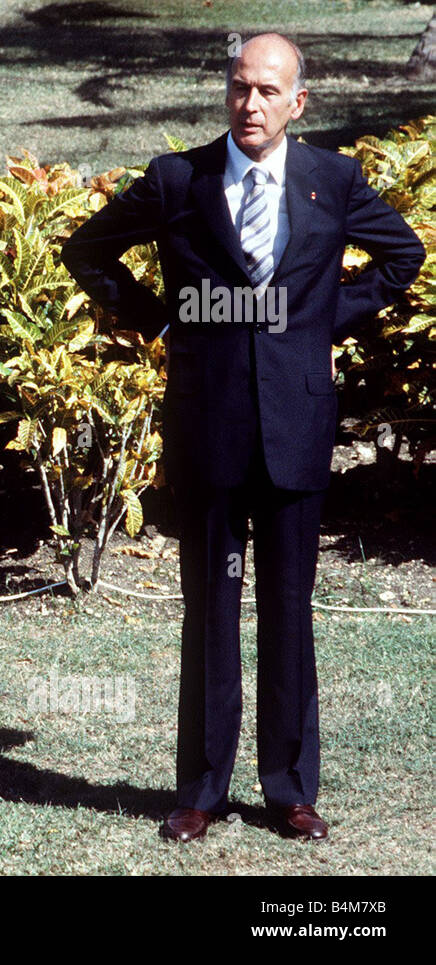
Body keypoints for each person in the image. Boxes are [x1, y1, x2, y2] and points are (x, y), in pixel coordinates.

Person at [62, 33, 424, 843]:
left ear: (299, 103)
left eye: (267, 91)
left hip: (296, 426)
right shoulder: (177, 179)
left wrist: (325, 317)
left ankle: (289, 789)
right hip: (210, 426)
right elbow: (86, 250)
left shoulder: (333, 180)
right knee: (210, 609)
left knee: (290, 610)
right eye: (238, 88)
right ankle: (200, 788)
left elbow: (403, 254)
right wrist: (165, 321)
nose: (249, 104)